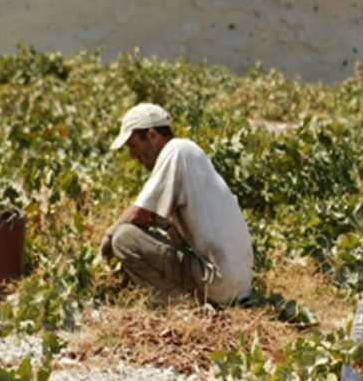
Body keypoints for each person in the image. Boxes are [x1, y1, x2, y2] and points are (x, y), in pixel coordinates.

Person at [99, 102, 254, 307]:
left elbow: (140, 215)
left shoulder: (176, 151)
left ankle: (185, 307)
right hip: (238, 285)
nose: (133, 155)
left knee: (123, 238)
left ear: (152, 135)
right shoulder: (189, 152)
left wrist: (106, 241)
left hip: (217, 281)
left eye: (133, 145)